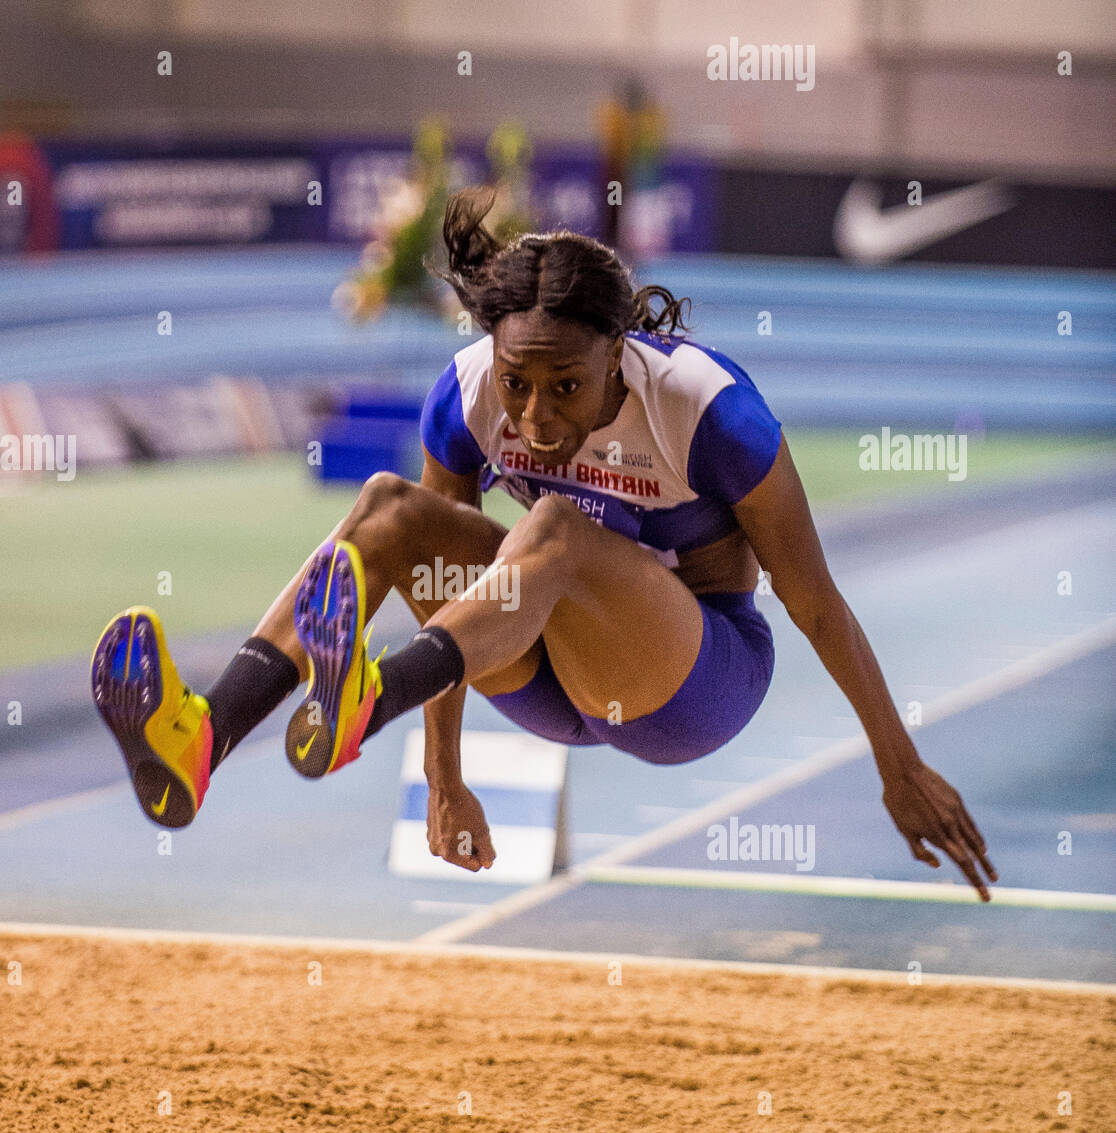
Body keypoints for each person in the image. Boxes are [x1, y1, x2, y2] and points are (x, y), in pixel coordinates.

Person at [91, 185, 997, 900]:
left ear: (619, 349)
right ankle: (204, 738)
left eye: (565, 386)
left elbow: (816, 605)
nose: (533, 416)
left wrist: (899, 764)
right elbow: (438, 587)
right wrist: (445, 781)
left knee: (554, 526)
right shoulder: (468, 392)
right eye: (518, 383)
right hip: (535, 674)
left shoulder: (712, 413)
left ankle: (371, 698)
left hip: (689, 685)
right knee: (388, 511)